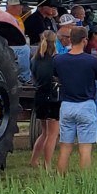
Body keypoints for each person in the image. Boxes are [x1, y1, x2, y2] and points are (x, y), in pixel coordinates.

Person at [54, 25, 97, 173]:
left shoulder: (59, 60)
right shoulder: (91, 61)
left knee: (65, 147)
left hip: (66, 105)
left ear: (70, 40)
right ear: (85, 40)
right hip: (85, 105)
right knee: (85, 148)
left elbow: (55, 77)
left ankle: (60, 180)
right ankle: (85, 180)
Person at [28, 30, 61, 169]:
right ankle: (48, 164)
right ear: (55, 44)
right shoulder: (56, 60)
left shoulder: (34, 60)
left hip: (40, 96)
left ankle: (34, 160)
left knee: (44, 132)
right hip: (52, 97)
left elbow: (34, 77)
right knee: (53, 134)